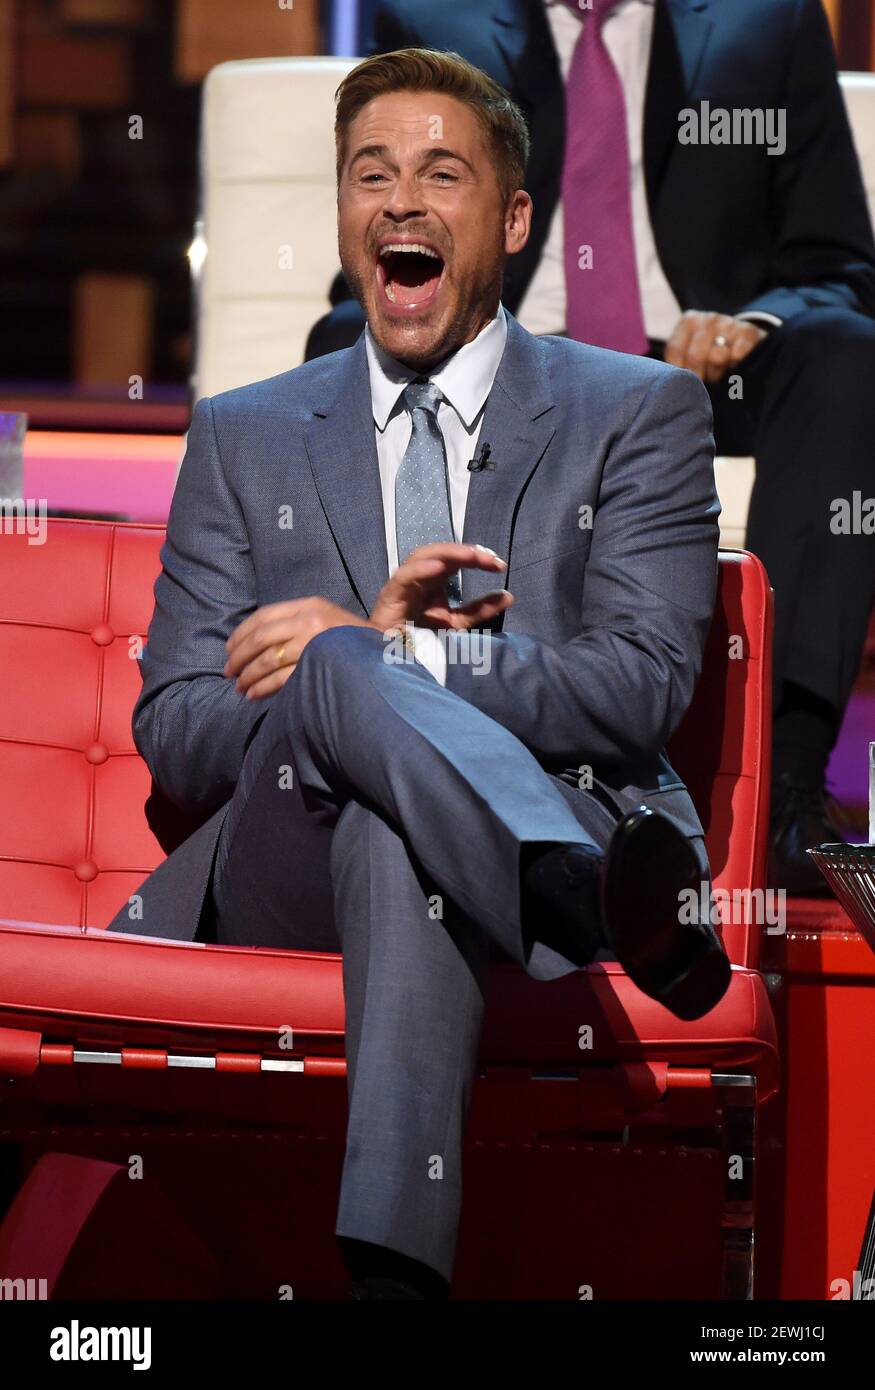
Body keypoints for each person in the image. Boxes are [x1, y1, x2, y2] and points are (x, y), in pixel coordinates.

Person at [108, 48, 729, 1300]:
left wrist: (408, 659)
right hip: (286, 863)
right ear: (342, 211)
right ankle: (562, 880)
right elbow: (174, 724)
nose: (398, 202)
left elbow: (644, 681)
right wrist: (355, 670)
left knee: (395, 824)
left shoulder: (638, 412)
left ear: (508, 218)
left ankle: (393, 1282)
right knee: (345, 663)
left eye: (439, 173)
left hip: (408, 863)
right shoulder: (244, 433)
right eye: (368, 175)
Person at [309, 0, 875, 895]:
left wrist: (750, 323)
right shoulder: (432, 14)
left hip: (702, 364)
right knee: (341, 332)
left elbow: (838, 267)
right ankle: (362, 717)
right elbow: (395, 229)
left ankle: (788, 783)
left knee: (846, 355)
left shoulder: (766, 21)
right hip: (498, 352)